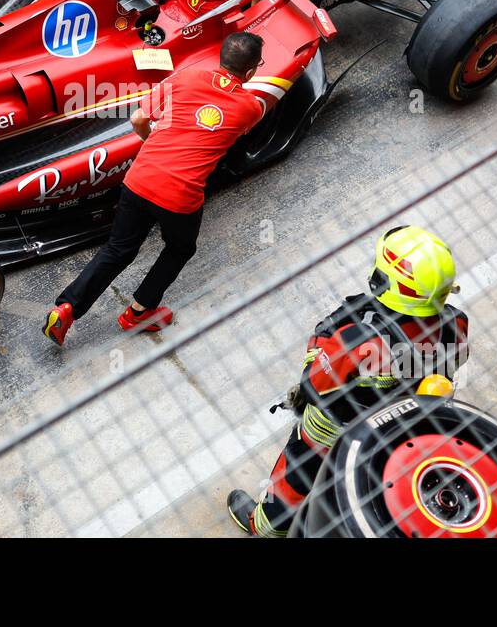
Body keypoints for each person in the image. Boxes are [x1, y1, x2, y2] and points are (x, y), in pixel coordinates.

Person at [226, 226, 470, 537]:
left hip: (338, 426)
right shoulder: (455, 323)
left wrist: (321, 341)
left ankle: (265, 526)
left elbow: (314, 385)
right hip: (404, 427)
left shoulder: (361, 339)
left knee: (298, 472)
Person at [44, 32, 266, 346]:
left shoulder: (187, 76)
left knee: (118, 250)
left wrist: (154, 143)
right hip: (181, 195)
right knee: (180, 248)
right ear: (251, 72)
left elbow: (138, 118)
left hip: (140, 178)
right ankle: (138, 311)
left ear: (221, 55)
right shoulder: (251, 107)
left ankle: (67, 308)